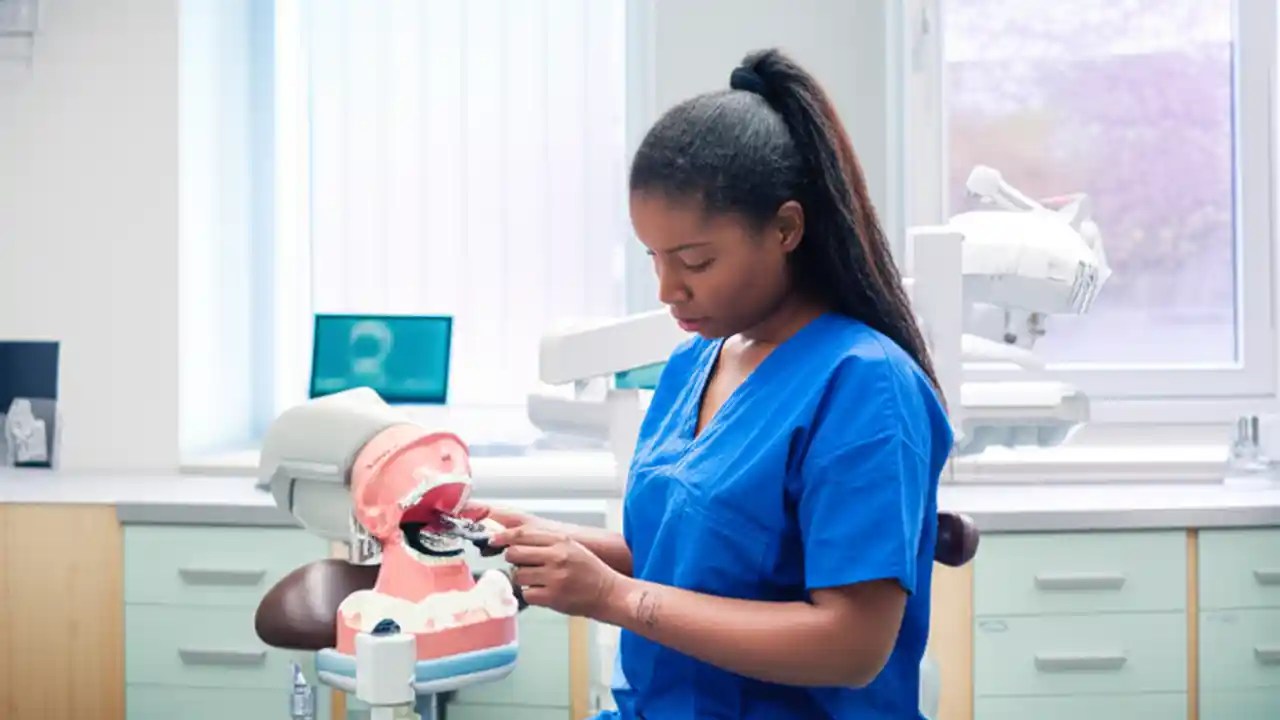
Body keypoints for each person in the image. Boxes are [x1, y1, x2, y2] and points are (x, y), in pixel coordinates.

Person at [474, 48, 953, 719]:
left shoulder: (865, 387)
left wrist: (612, 598)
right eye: (655, 258)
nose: (669, 289)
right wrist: (547, 541)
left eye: (694, 260)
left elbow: (853, 645)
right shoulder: (694, 366)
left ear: (786, 228)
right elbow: (685, 560)